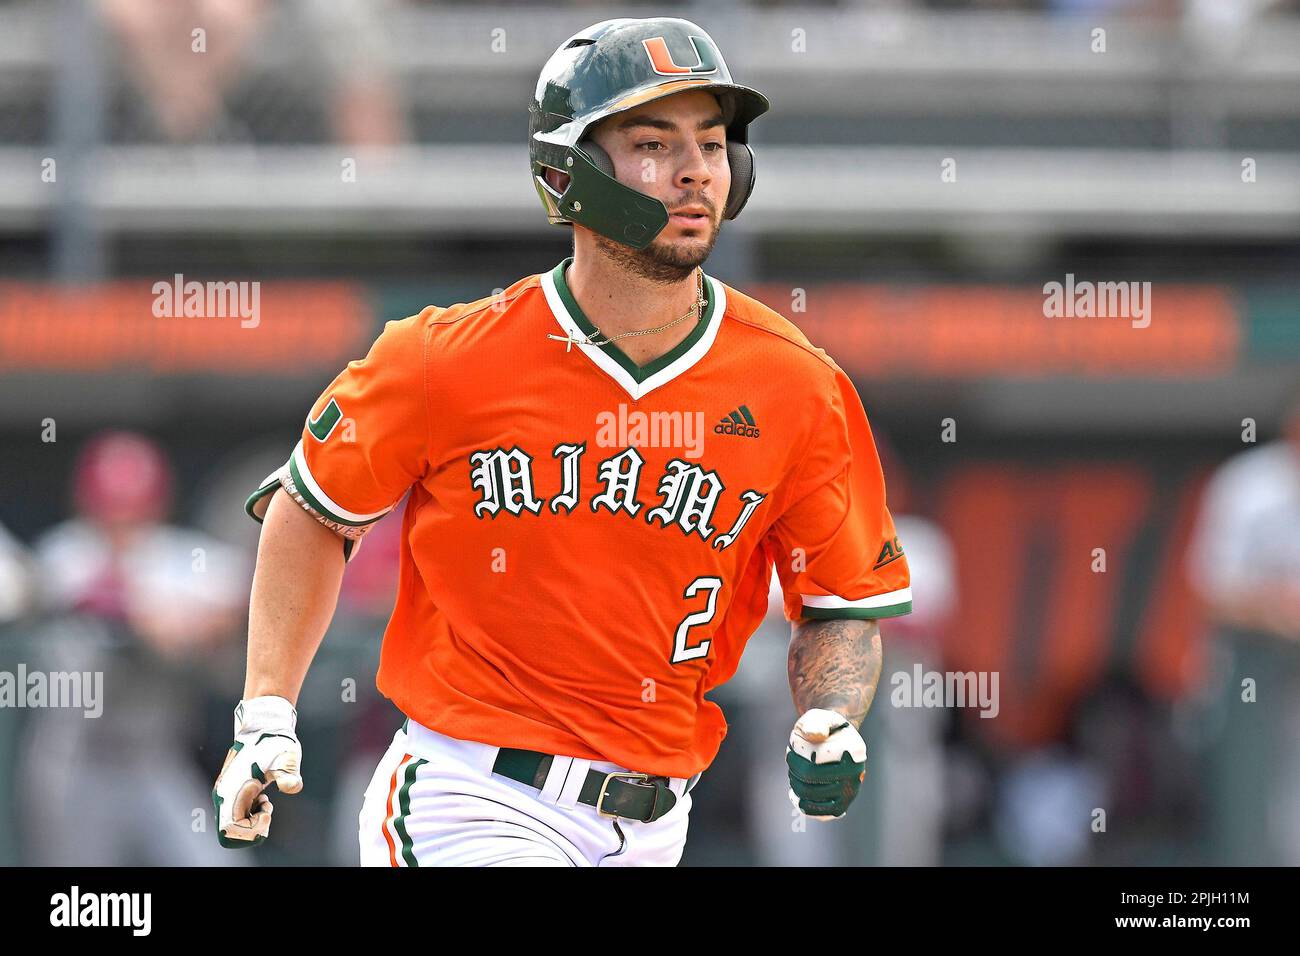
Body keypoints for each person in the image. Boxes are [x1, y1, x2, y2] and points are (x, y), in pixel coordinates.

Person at [213, 16, 912, 867]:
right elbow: (315, 510)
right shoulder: (441, 359)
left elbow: (840, 603)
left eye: (715, 142)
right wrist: (266, 712)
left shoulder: (798, 384)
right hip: (469, 797)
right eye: (654, 142)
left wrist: (831, 715)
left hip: (656, 825)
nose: (696, 169)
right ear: (567, 171)